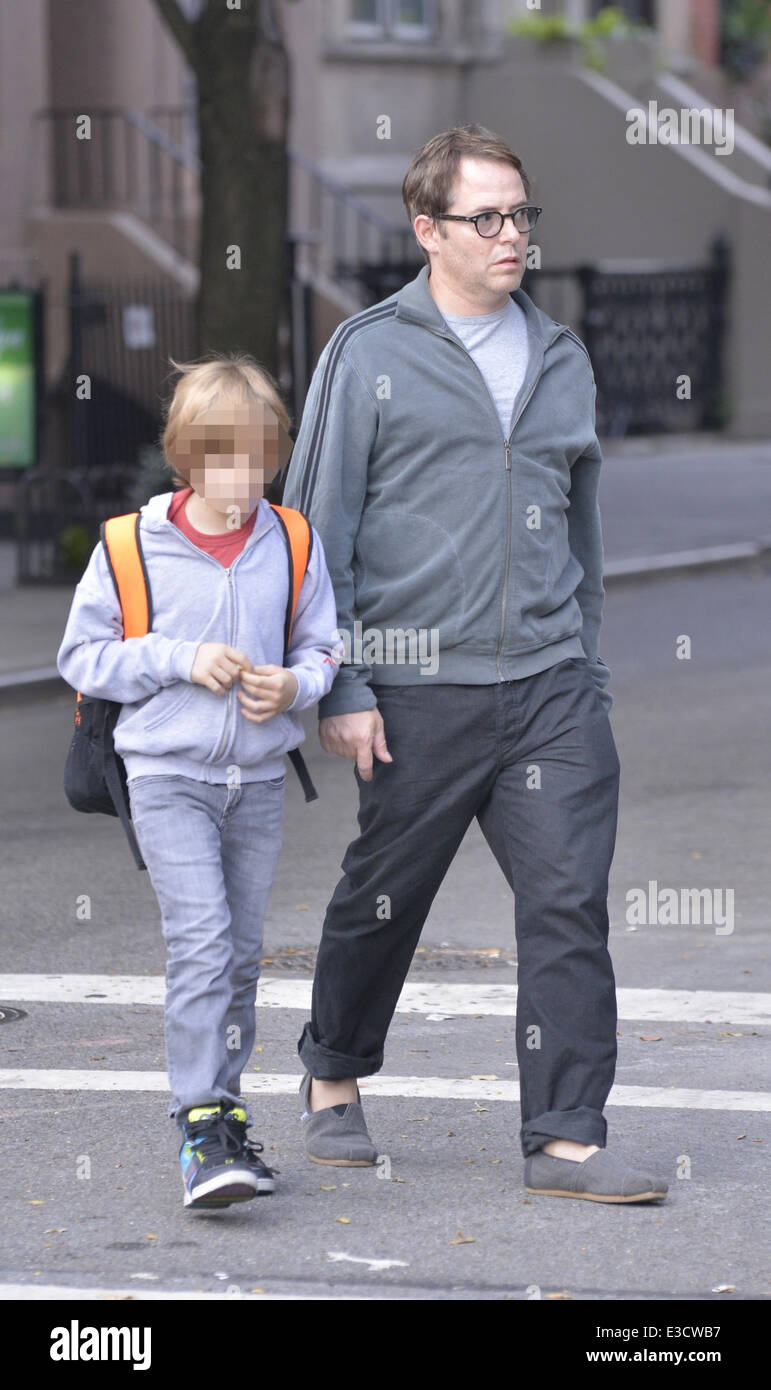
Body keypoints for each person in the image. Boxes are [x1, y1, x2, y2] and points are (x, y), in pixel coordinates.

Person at [283, 125, 668, 1203]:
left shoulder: (561, 356)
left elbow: (581, 529)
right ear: (427, 229)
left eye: (522, 216)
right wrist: (344, 684)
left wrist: (585, 664)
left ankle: (565, 1135)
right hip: (416, 684)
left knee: (567, 904)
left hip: (550, 685)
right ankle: (334, 1073)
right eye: (486, 217)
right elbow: (316, 528)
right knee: (385, 896)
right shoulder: (368, 352)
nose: (513, 236)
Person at [57, 354, 342, 1210]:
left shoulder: (291, 540)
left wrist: (295, 686)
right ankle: (200, 1121)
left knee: (243, 959)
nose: (243, 478)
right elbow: (82, 657)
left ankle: (224, 1119)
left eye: (259, 459)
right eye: (223, 458)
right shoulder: (127, 546)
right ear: (186, 456)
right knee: (203, 943)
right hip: (167, 773)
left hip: (252, 780)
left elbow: (323, 648)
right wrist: (179, 660)